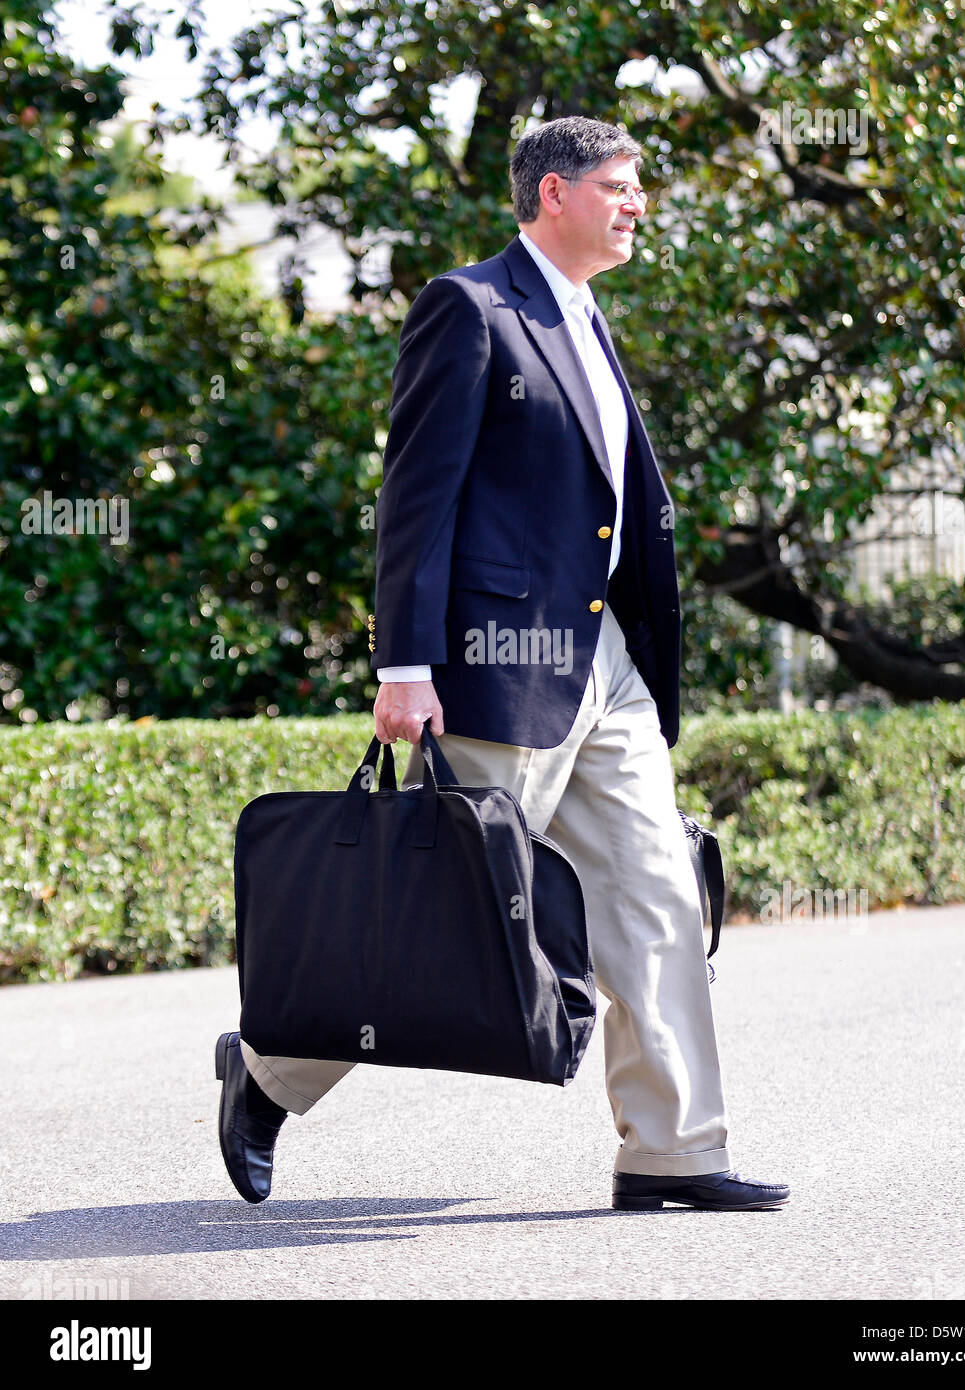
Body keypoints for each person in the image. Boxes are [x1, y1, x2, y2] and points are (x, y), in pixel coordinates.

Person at [216, 115, 789, 1213]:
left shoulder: (586, 315)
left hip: (603, 657)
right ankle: (267, 1071)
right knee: (447, 908)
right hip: (497, 661)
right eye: (620, 186)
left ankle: (674, 1150)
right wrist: (406, 662)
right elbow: (415, 502)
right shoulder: (470, 307)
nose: (638, 204)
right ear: (554, 194)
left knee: (659, 892)